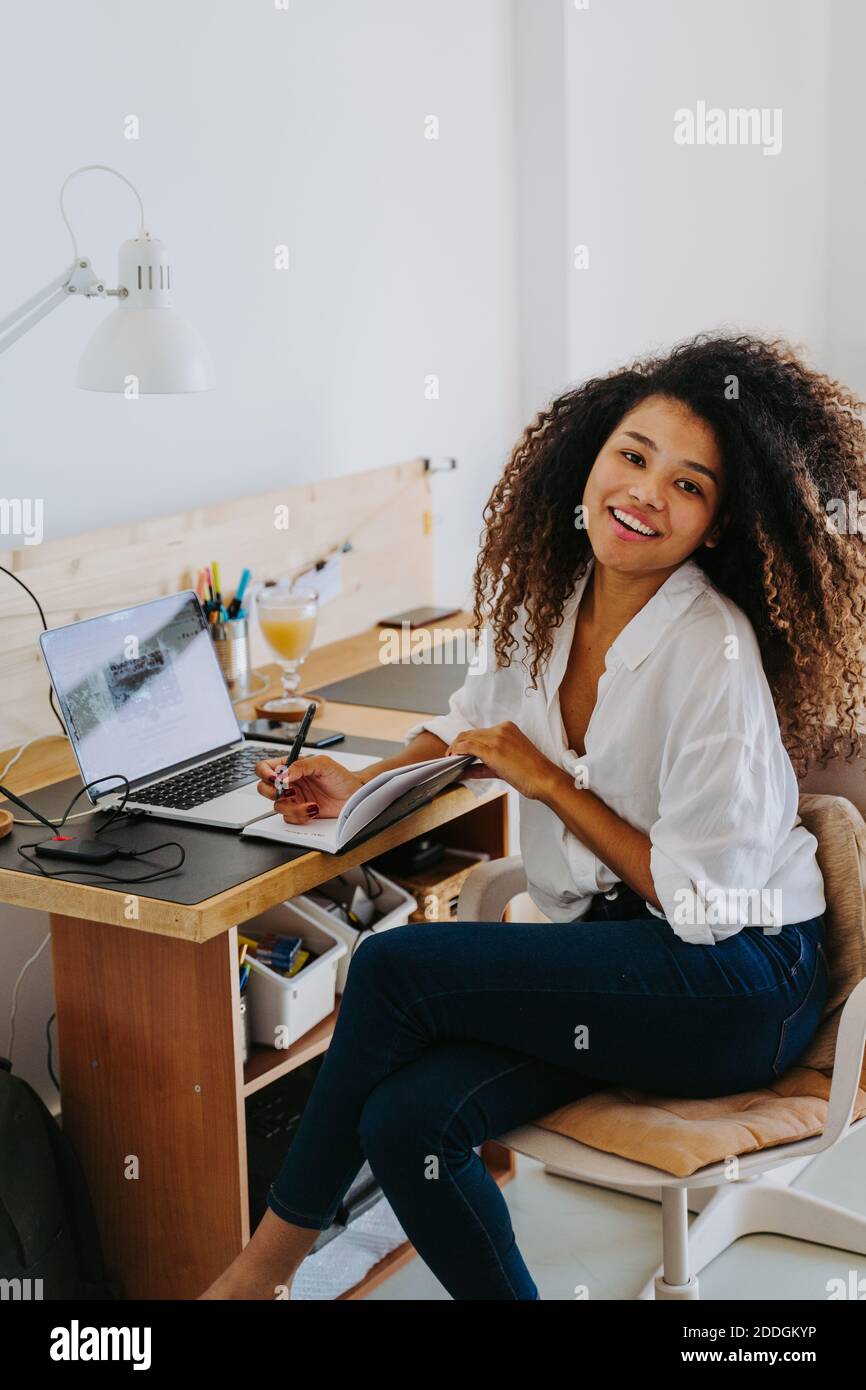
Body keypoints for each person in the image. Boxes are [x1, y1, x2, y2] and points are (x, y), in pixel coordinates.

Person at [200, 331, 866, 1300]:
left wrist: (552, 785)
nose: (643, 491)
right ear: (590, 458)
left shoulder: (707, 654)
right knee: (403, 1122)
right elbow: (468, 726)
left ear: (716, 524)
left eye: (687, 484)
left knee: (390, 965)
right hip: (627, 958)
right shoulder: (548, 604)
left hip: (736, 980)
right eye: (632, 456)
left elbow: (700, 904)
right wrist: (361, 782)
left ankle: (258, 1273)